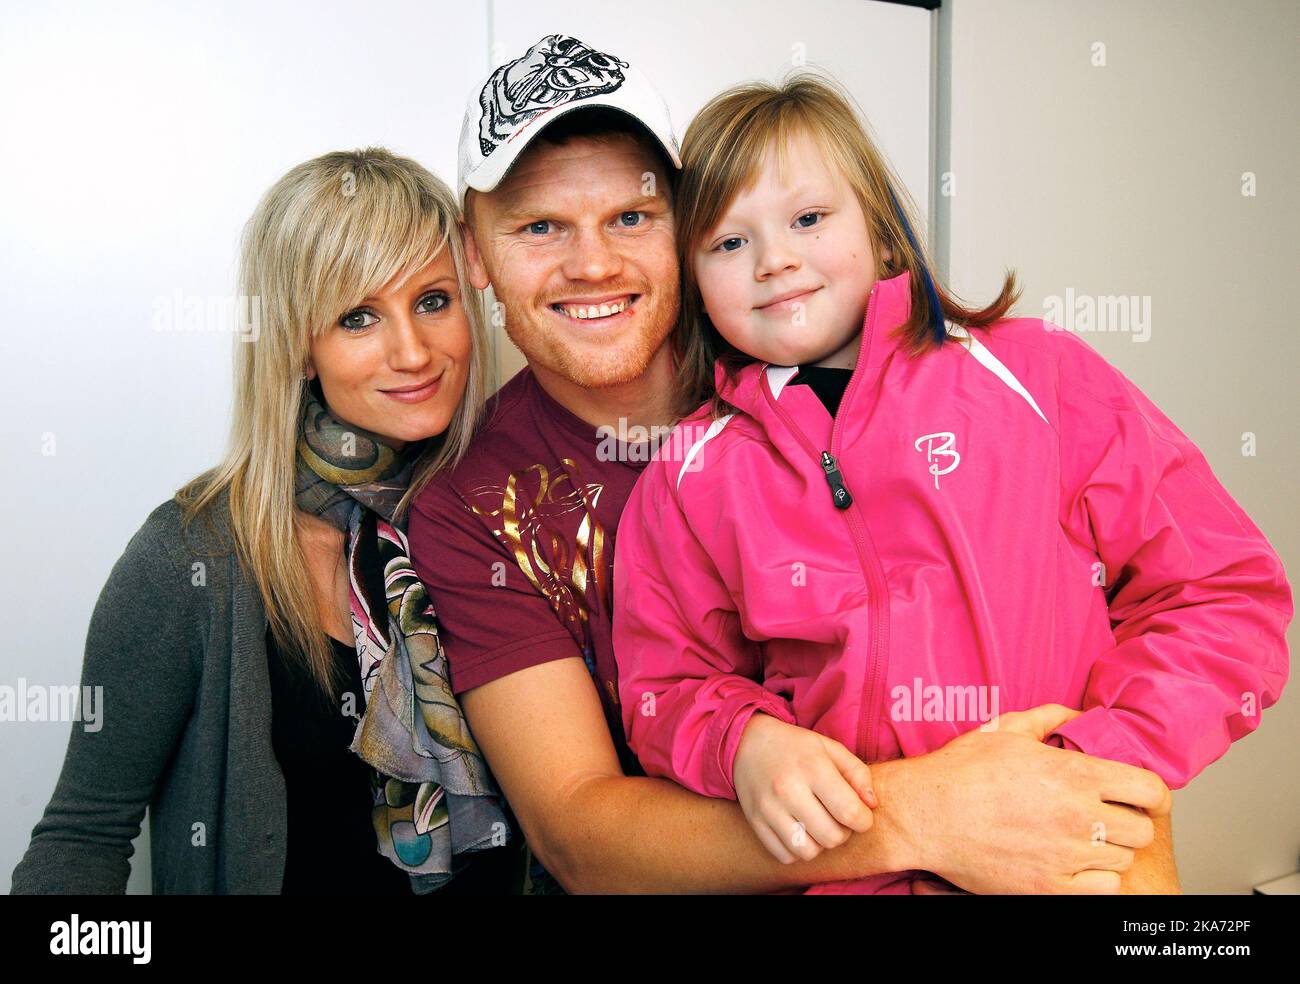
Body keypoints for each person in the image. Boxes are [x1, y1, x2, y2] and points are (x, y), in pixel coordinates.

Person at [408, 32, 1180, 895]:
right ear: (475, 254)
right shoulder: (476, 504)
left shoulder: (907, 363)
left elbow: (1183, 594)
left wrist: (1088, 771)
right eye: (539, 227)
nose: (592, 264)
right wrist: (935, 814)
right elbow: (582, 835)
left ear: (680, 227)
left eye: (631, 216)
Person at [611, 75, 1293, 893]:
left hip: (1071, 862)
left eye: (809, 218)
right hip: (855, 874)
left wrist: (1087, 765)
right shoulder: (688, 476)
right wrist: (746, 744)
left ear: (881, 230)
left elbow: (1223, 593)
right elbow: (667, 686)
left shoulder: (1038, 375)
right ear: (691, 281)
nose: (775, 259)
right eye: (728, 243)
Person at [11, 147, 524, 894]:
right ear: (299, 345)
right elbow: (82, 838)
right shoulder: (192, 557)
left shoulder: (505, 519)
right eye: (358, 317)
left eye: (433, 301)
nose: (413, 352)